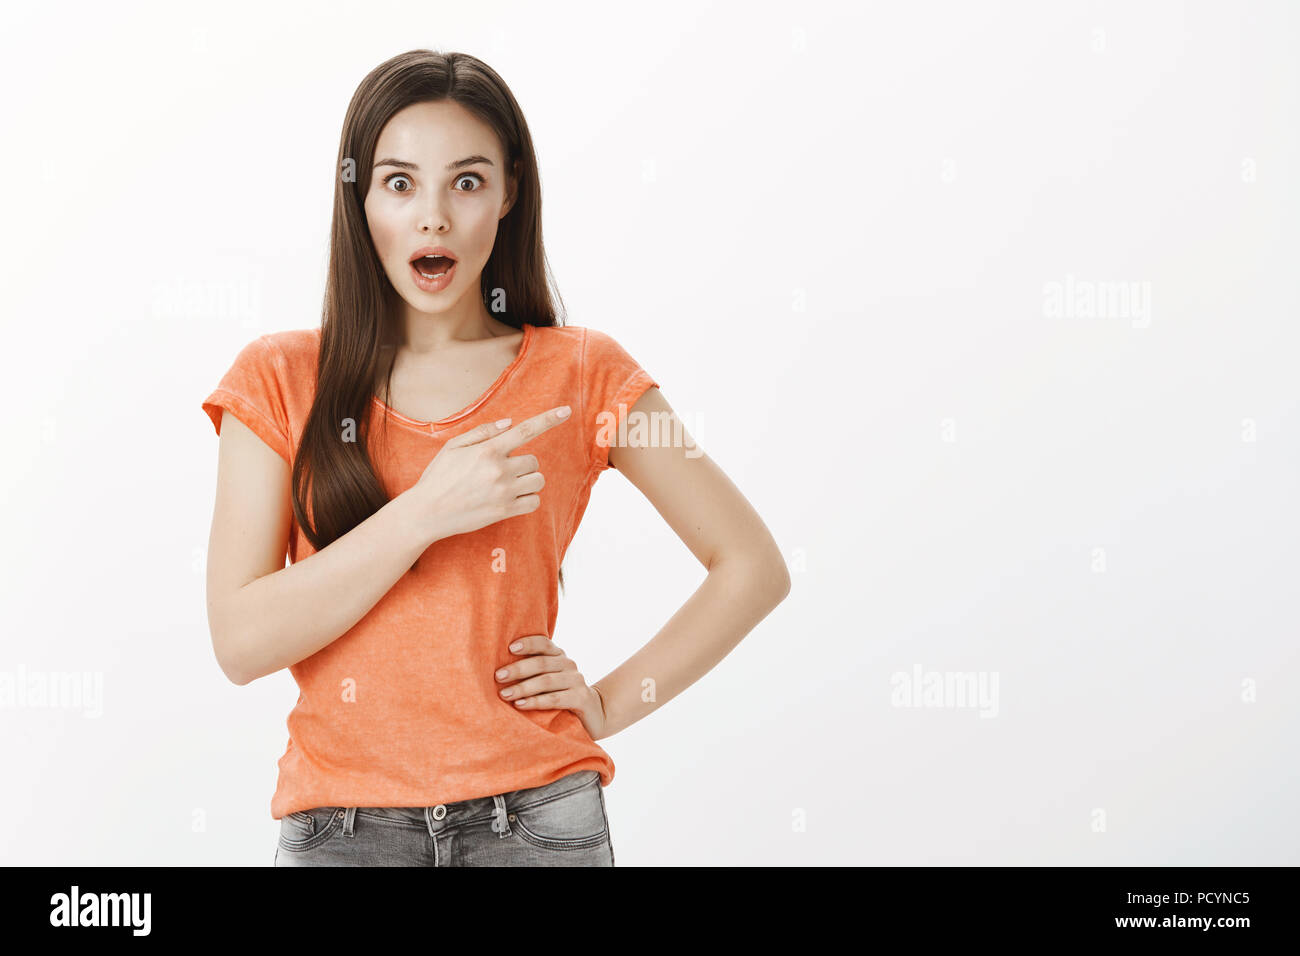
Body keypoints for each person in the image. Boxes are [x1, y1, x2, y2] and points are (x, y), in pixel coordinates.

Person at [200, 49, 790, 867]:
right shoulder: (279, 377)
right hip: (342, 830)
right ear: (360, 198)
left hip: (539, 823)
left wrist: (608, 706)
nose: (433, 216)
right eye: (400, 183)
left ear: (509, 192)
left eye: (467, 181)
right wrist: (425, 512)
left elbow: (752, 567)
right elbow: (240, 642)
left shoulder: (582, 372)